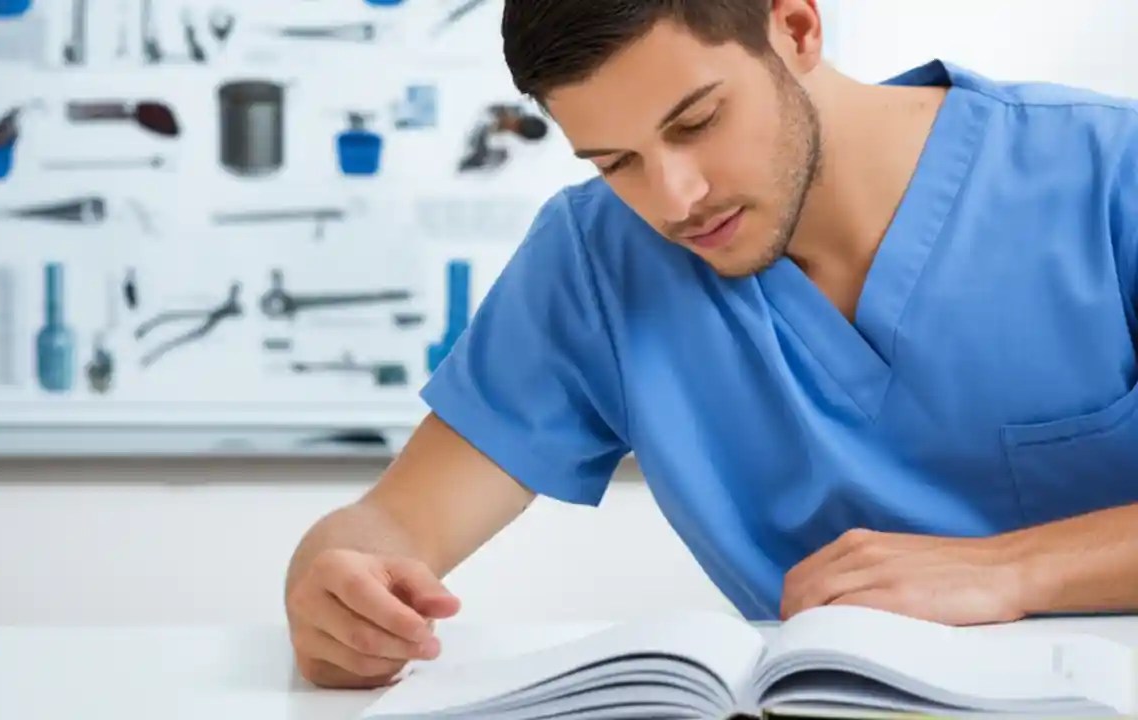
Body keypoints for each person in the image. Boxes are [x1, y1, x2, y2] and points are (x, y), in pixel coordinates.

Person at [285, 0, 1138, 689]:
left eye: (696, 122)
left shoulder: (1104, 173)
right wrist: (338, 588)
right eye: (615, 162)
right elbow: (392, 523)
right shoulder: (596, 261)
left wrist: (1013, 571)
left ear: (796, 27)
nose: (674, 199)